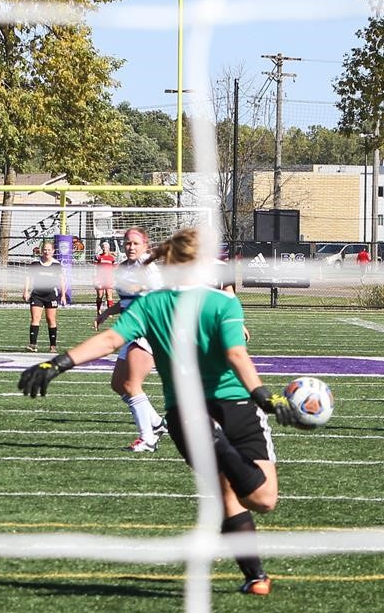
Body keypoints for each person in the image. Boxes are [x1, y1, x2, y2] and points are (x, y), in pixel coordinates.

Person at [19, 229, 295, 596]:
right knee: (263, 499)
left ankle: (256, 578)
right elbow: (235, 354)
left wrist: (56, 364)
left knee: (228, 494)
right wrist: (263, 396)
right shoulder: (223, 302)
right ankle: (221, 450)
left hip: (185, 414)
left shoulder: (152, 304)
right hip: (236, 405)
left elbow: (111, 340)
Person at [95, 228, 166, 452]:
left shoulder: (147, 266)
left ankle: (147, 439)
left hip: (148, 329)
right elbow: (128, 300)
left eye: (136, 243)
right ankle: (157, 423)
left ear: (145, 246)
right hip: (131, 328)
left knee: (131, 384)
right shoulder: (126, 267)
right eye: (127, 243)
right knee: (118, 384)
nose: (131, 247)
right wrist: (107, 312)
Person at [24, 247, 67, 352]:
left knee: (51, 319)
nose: (47, 252)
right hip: (37, 295)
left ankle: (53, 346)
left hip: (51, 295)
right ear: (42, 251)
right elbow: (28, 277)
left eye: (49, 250)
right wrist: (26, 291)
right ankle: (33, 345)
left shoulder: (56, 265)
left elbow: (62, 280)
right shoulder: (35, 263)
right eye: (45, 250)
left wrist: (63, 295)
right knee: (35, 318)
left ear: (53, 251)